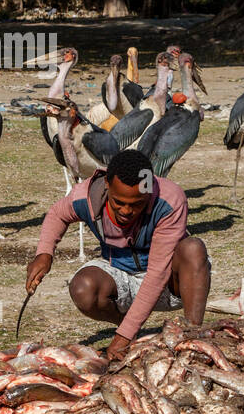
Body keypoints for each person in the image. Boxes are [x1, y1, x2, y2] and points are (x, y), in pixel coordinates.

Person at [26, 149, 211, 361]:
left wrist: (122, 338)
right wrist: (44, 254)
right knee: (83, 287)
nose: (125, 211)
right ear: (107, 185)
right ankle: (131, 326)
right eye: (118, 202)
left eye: (136, 204)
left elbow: (157, 274)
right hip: (121, 275)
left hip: (170, 281)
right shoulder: (86, 196)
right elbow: (58, 213)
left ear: (148, 194)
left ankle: (192, 338)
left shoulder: (169, 200)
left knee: (193, 248)